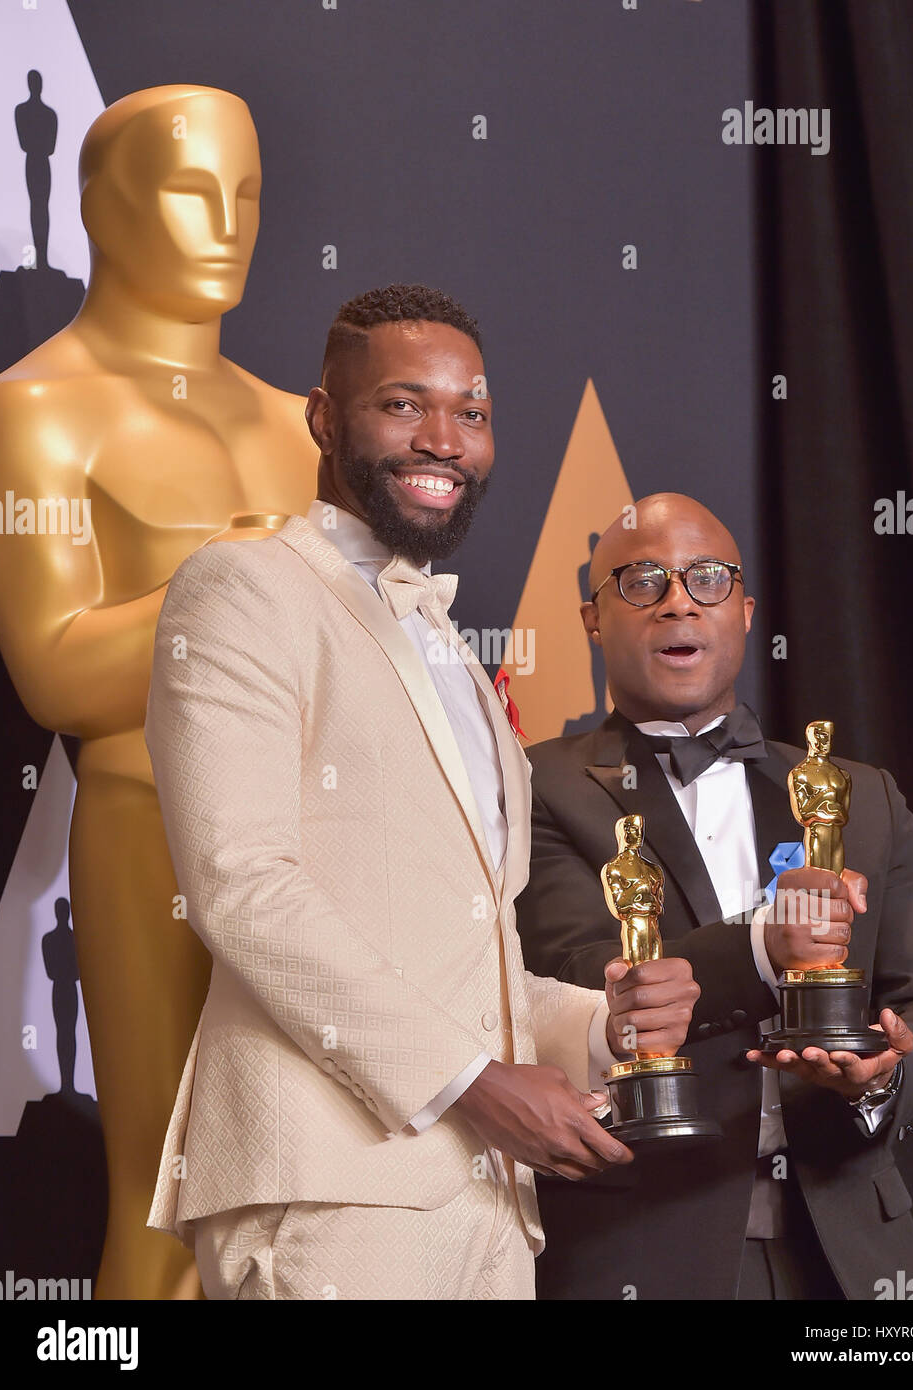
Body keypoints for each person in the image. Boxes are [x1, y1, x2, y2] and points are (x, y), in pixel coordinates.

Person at [143, 288, 699, 1300]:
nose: (442, 439)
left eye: (470, 413)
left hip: (486, 1206)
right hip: (330, 1197)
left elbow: (460, 959)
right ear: (322, 418)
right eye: (403, 406)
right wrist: (476, 1085)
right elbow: (241, 887)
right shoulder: (242, 589)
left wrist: (596, 1028)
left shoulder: (446, 645)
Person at [515, 491, 913, 1301]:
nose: (678, 600)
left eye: (707, 578)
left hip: (852, 1253)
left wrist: (883, 1077)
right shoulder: (533, 784)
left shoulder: (859, 795)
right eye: (641, 581)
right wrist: (767, 945)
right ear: (592, 619)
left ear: (745, 608)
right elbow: (582, 980)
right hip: (642, 1246)